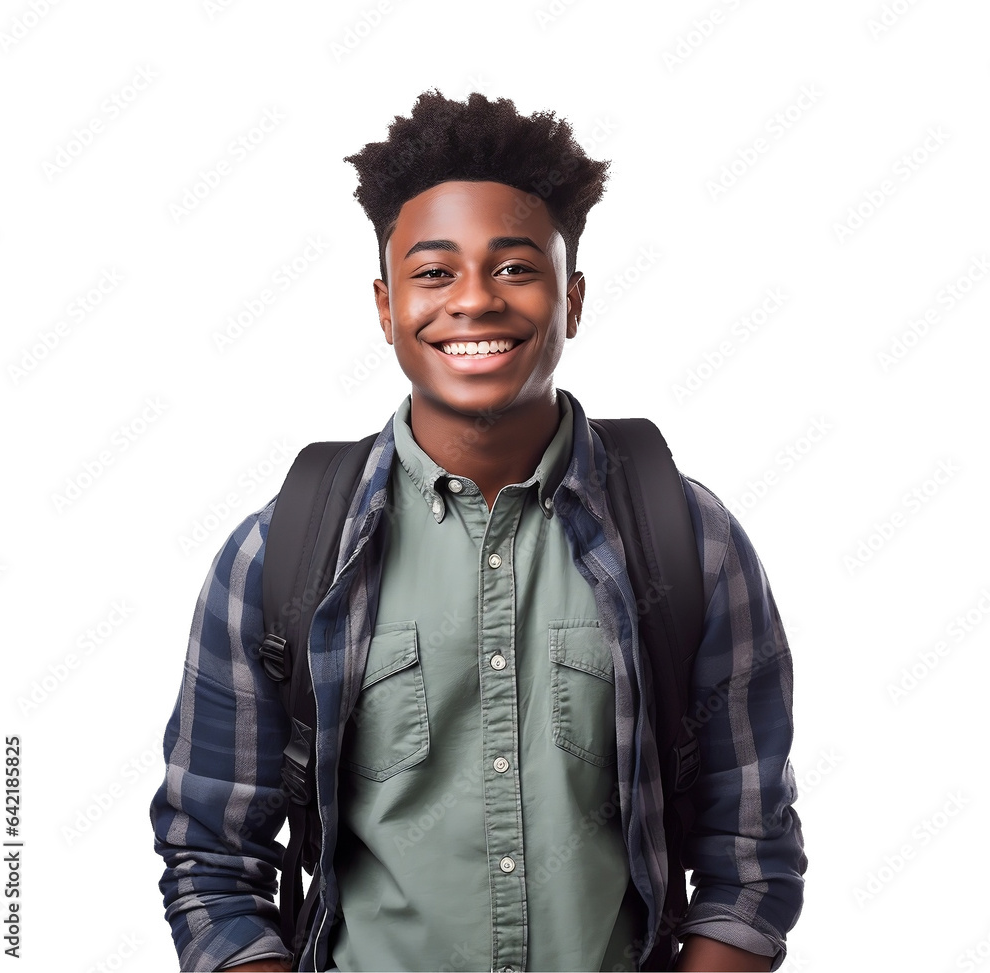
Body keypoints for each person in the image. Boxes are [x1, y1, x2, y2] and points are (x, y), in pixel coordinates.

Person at [151, 90, 806, 972]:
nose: (473, 301)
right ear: (385, 308)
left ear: (571, 300)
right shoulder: (282, 552)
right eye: (433, 272)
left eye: (513, 267)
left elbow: (750, 856)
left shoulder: (690, 540)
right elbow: (212, 859)